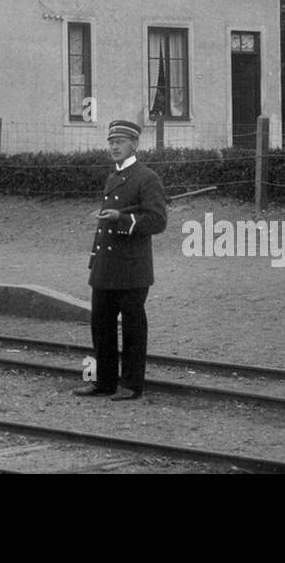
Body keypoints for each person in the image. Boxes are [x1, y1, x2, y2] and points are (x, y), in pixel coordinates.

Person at [73, 119, 168, 401]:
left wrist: (122, 219)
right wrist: (94, 259)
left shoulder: (147, 177)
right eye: (111, 142)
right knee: (100, 325)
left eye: (120, 142)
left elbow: (158, 221)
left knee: (132, 328)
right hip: (106, 267)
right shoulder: (112, 178)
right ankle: (104, 382)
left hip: (131, 268)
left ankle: (131, 385)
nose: (114, 147)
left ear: (134, 145)